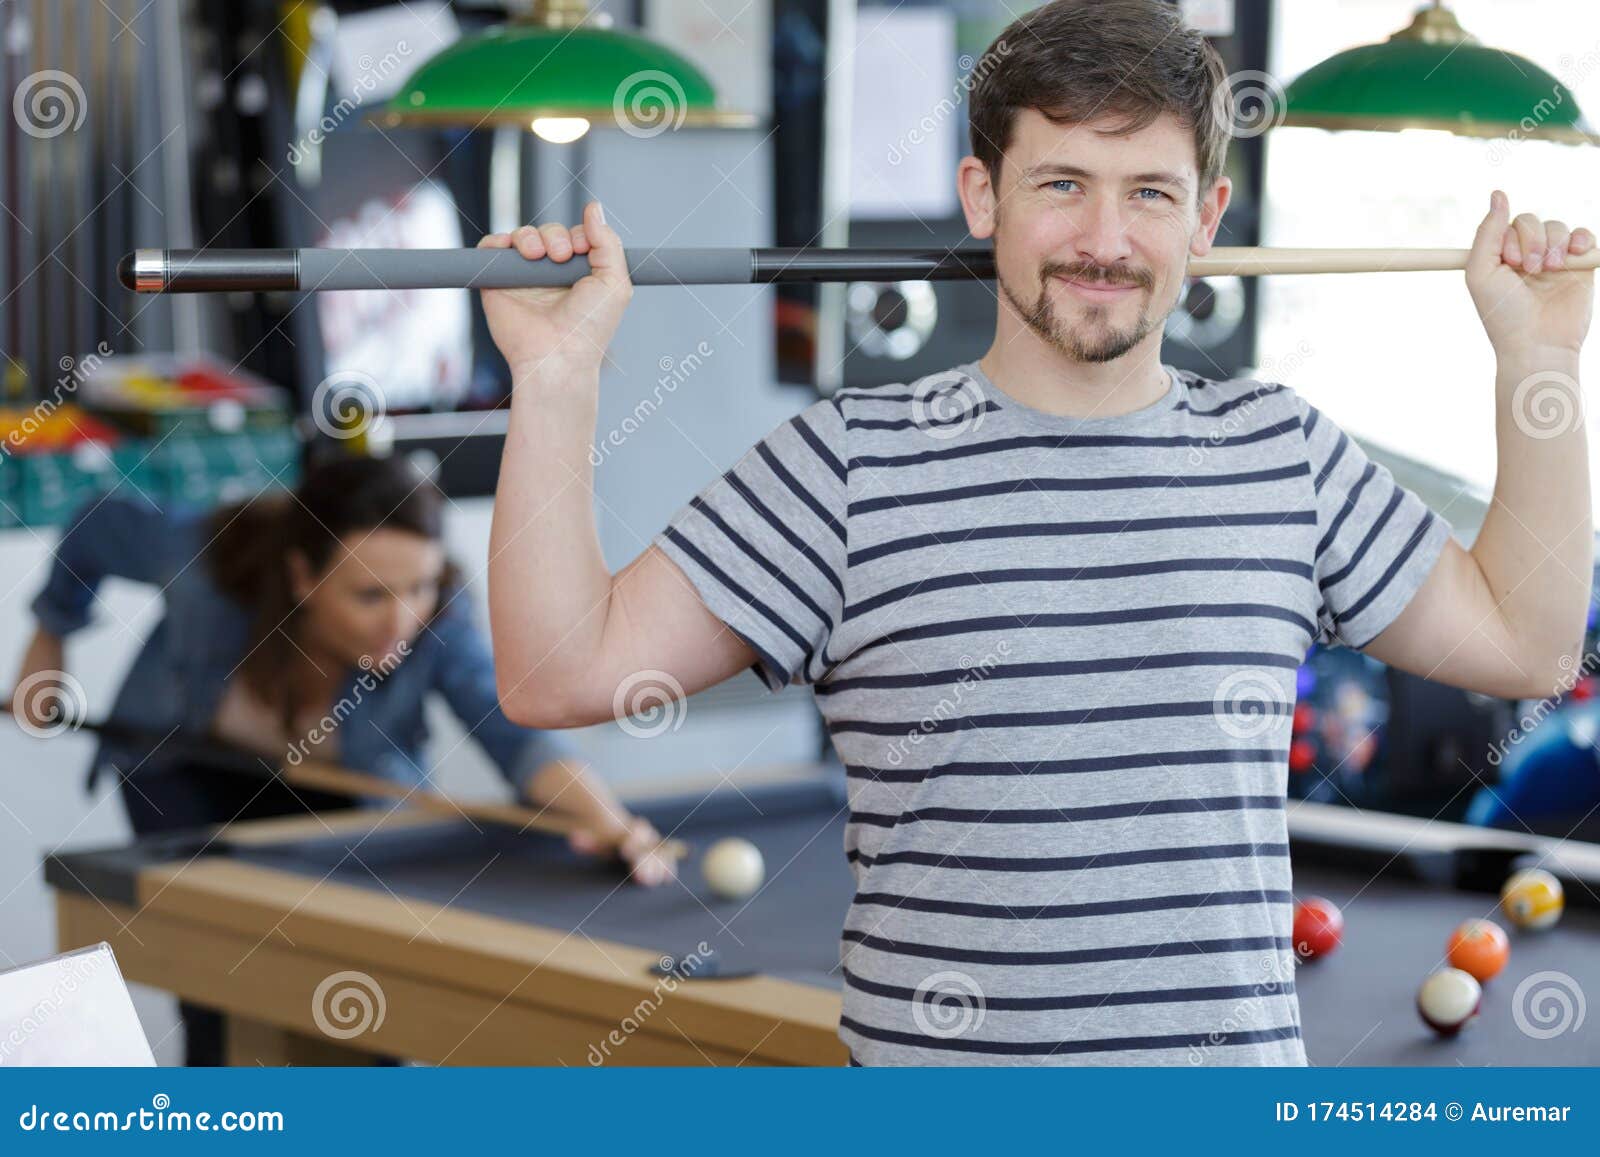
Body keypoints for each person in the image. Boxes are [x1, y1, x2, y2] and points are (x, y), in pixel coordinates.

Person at [477, 0, 1593, 1065]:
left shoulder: (1281, 450)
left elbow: (1526, 645)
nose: (1104, 240)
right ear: (983, 196)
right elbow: (554, 671)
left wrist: (1540, 362)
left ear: (1206, 218)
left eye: (1149, 192)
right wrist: (557, 376)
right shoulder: (848, 462)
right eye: (1062, 183)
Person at [13, 453, 672, 1065]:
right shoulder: (209, 563)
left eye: (420, 586)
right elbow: (97, 525)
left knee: (370, 983)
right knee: (220, 985)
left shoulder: (441, 619)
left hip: (344, 794)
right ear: (304, 576)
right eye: (370, 595)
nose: (401, 622)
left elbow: (515, 733)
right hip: (184, 773)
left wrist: (609, 821)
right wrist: (48, 641)